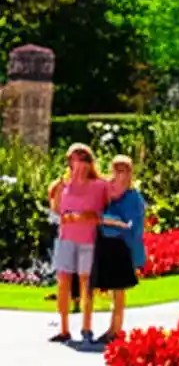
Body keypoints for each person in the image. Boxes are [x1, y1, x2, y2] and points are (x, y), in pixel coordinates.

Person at [47, 143, 110, 344]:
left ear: (89, 162)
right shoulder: (63, 186)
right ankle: (64, 328)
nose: (78, 163)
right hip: (66, 238)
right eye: (73, 159)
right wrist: (57, 200)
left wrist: (87, 215)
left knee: (86, 283)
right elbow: (56, 211)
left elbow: (106, 211)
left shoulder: (99, 185)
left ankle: (86, 327)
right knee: (63, 283)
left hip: (88, 240)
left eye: (83, 159)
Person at [89, 156, 147, 344]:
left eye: (123, 170)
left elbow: (131, 225)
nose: (118, 174)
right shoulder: (108, 190)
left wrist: (107, 219)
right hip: (107, 244)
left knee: (119, 290)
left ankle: (116, 329)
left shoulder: (133, 197)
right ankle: (111, 329)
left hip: (121, 246)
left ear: (129, 173)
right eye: (116, 170)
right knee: (111, 288)